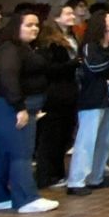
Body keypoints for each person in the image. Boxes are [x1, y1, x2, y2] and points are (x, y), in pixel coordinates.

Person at [0, 12, 57, 213]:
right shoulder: (9, 49)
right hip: (8, 107)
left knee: (5, 154)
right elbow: (8, 79)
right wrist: (20, 108)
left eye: (36, 25)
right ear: (16, 26)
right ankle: (26, 199)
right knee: (21, 153)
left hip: (15, 106)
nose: (34, 28)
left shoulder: (21, 48)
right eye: (29, 25)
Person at [66, 10, 109, 195]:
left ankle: (95, 177)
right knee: (87, 139)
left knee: (104, 139)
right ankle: (76, 180)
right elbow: (95, 66)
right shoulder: (91, 45)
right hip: (93, 95)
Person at [34, 11, 79, 189]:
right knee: (51, 135)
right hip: (55, 93)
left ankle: (58, 173)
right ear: (56, 18)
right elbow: (48, 68)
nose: (72, 16)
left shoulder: (71, 36)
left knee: (64, 135)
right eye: (67, 13)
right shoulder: (49, 40)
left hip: (69, 91)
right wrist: (73, 64)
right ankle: (45, 176)